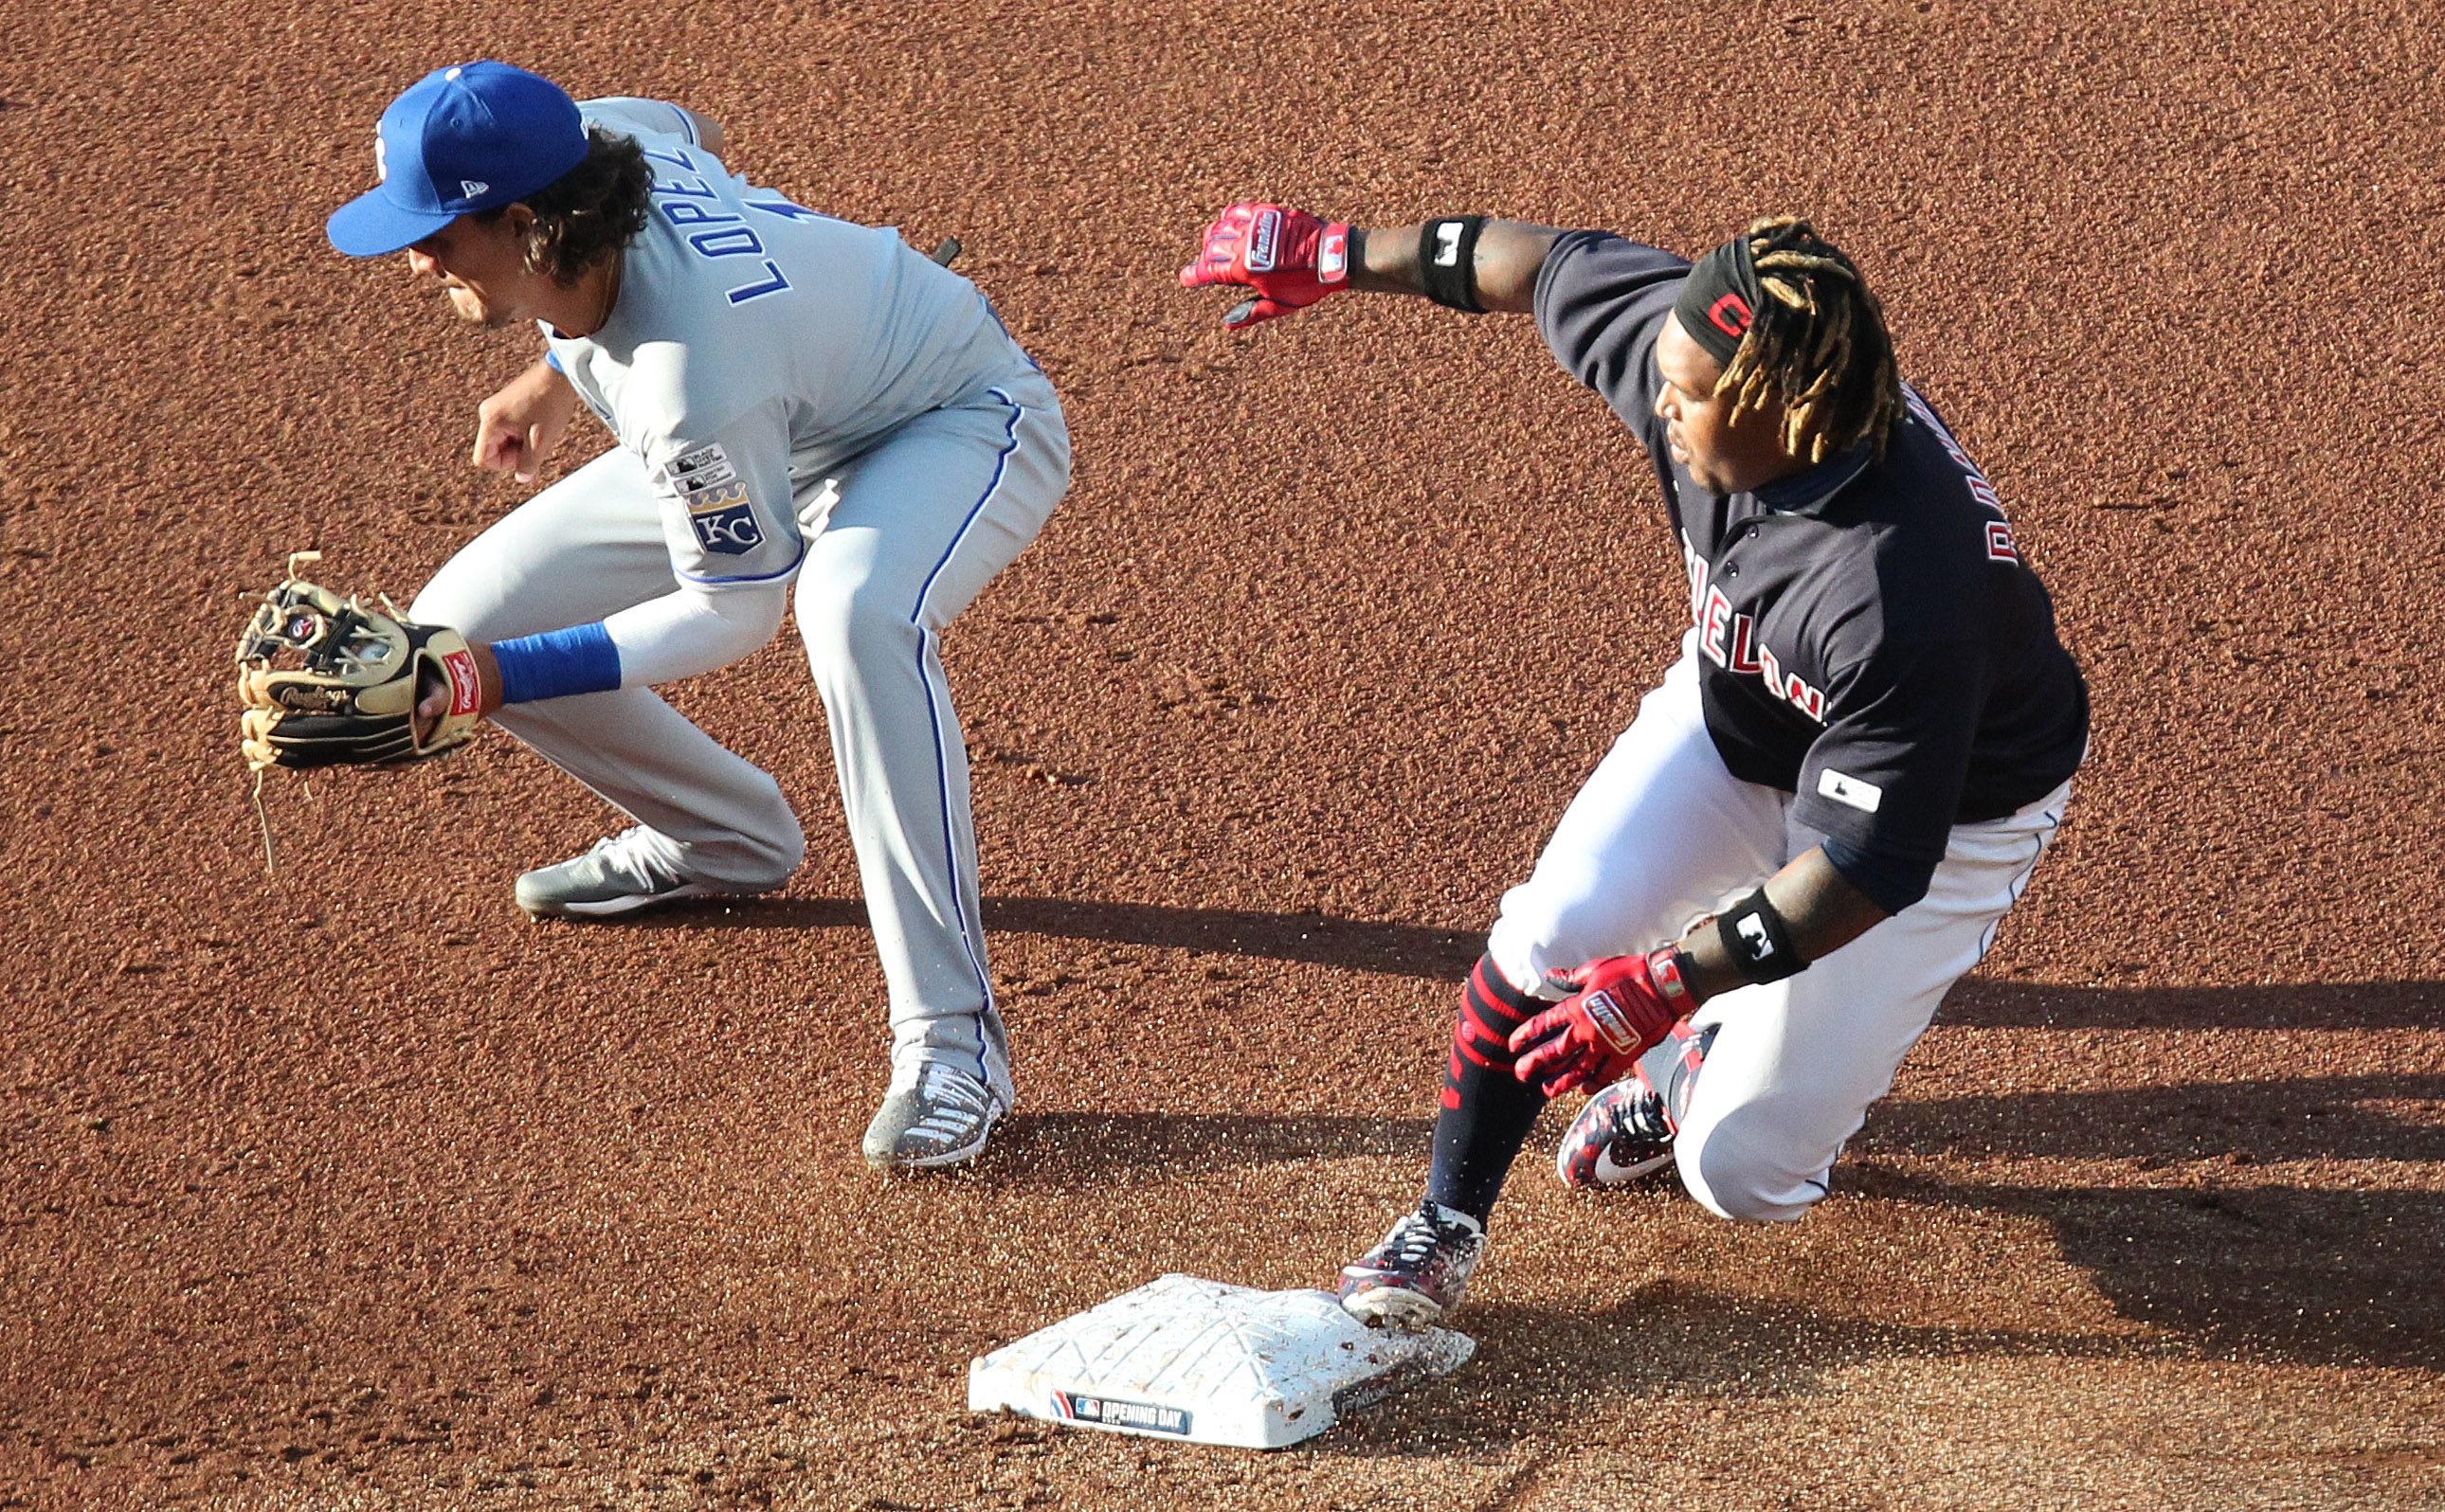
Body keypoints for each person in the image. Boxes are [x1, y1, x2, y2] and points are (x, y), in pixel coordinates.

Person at [1181, 205, 2089, 1326]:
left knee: (1742, 1177)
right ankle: (1443, 1228)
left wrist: (1668, 988)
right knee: (1555, 929)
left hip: (1943, 822)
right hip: (1741, 720)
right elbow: (1532, 265)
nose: (1662, 397)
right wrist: (1337, 254)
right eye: (1665, 369)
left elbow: (1866, 866)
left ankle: (1693, 1074)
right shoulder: (1697, 350)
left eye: (1690, 390)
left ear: (1783, 411)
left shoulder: (1898, 588)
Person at [325, 62, 1071, 1170]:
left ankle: (952, 1046)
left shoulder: (689, 387)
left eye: (437, 231)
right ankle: (724, 839)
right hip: (778, 408)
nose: (414, 258)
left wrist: (486, 687)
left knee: (853, 614)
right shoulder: (600, 142)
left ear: (530, 225)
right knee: (457, 619)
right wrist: (548, 362)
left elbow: (733, 613)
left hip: (948, 419)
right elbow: (692, 124)